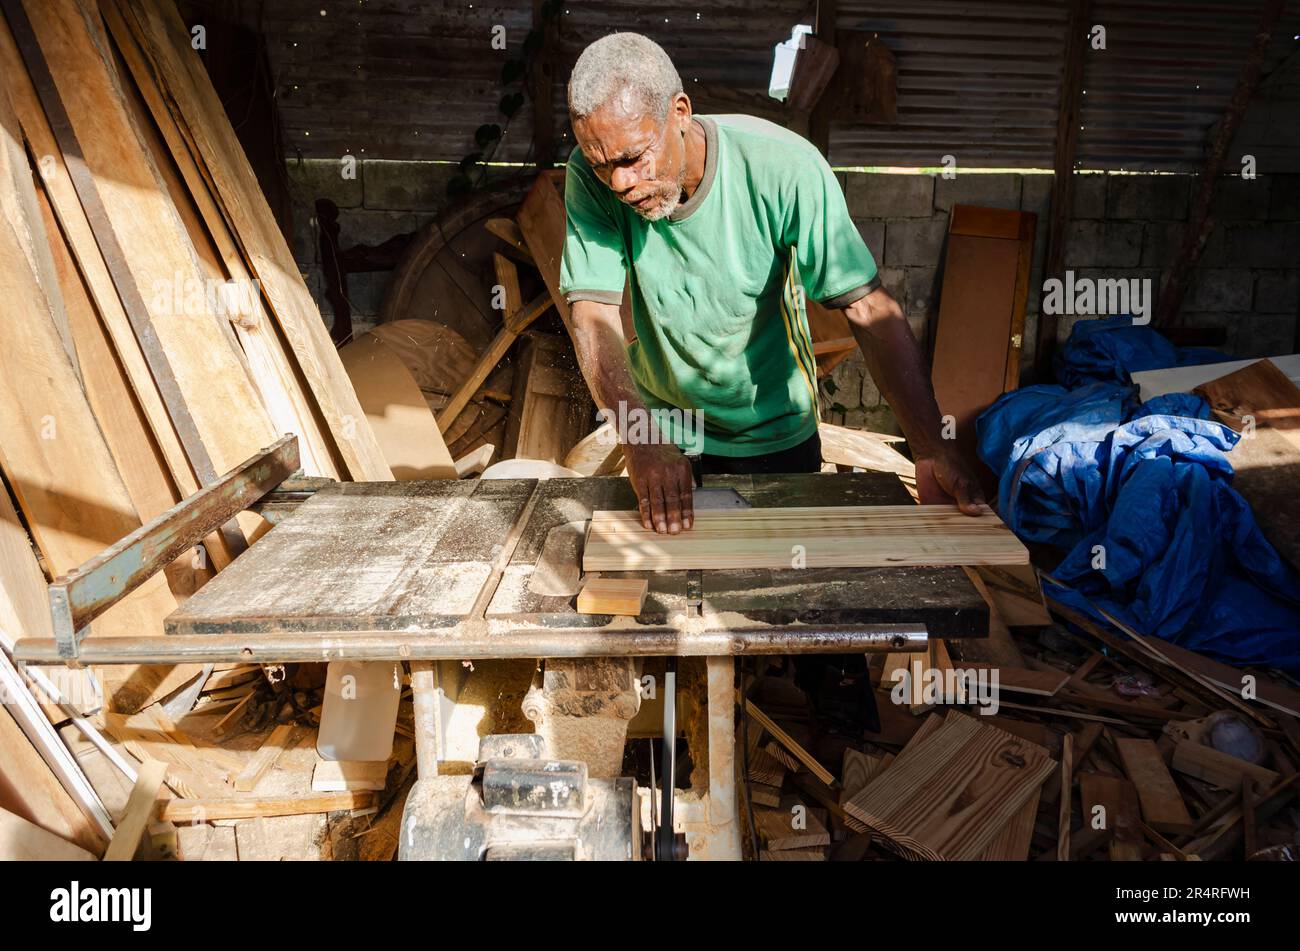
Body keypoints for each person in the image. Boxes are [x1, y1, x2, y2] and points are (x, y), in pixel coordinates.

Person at [559, 33, 985, 535]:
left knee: (779, 600)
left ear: (679, 112)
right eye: (601, 163)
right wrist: (641, 438)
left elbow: (867, 309)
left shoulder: (782, 167)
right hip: (667, 431)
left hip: (774, 437)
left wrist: (931, 446)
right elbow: (593, 313)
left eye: (633, 158)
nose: (620, 183)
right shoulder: (591, 179)